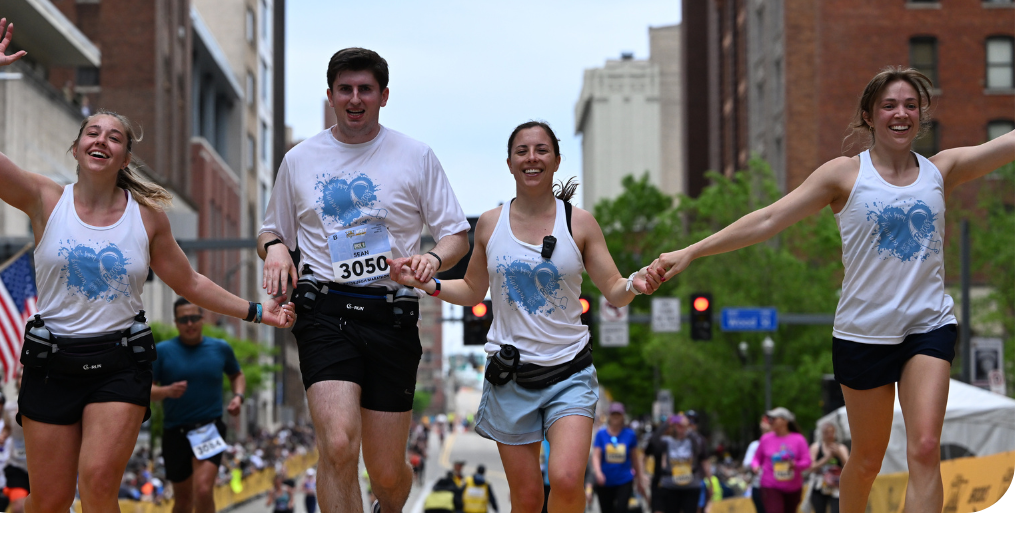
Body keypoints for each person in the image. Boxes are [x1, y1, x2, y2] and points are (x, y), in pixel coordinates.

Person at [0, 17, 295, 513]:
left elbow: (191, 281)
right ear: (75, 149)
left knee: (98, 484)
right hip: (51, 362)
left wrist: (256, 311)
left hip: (119, 364)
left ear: (124, 157)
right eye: (91, 133)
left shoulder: (148, 219)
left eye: (113, 136)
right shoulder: (44, 200)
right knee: (49, 501)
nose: (101, 140)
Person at [650, 67, 1015, 513]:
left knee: (924, 448)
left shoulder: (941, 170)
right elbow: (768, 219)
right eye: (889, 105)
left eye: (910, 105)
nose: (901, 114)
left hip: (928, 325)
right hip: (863, 334)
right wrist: (692, 251)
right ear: (869, 115)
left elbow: (1007, 145)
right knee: (865, 461)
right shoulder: (843, 175)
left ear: (921, 115)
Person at [390, 121, 658, 512]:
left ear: (556, 160)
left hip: (570, 371)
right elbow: (470, 290)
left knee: (566, 480)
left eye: (541, 150)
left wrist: (637, 283)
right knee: (528, 497)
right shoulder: (489, 224)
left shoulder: (579, 223)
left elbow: (615, 289)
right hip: (510, 376)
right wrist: (426, 285)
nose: (532, 158)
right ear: (510, 163)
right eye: (522, 151)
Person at [258, 47, 470, 513]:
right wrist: (274, 246)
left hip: (391, 315)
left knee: (389, 476)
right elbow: (272, 229)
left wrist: (432, 261)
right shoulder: (300, 159)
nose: (355, 99)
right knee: (336, 443)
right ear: (331, 95)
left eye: (366, 90)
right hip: (325, 311)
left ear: (384, 96)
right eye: (346, 89)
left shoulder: (415, 156)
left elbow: (457, 233)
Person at [151, 297, 247, 513]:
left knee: (203, 490)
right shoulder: (162, 351)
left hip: (208, 428)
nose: (190, 324)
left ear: (202, 319)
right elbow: (145, 390)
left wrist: (238, 396)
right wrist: (167, 391)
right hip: (175, 431)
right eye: (184, 320)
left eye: (194, 318)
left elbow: (237, 375)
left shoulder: (220, 348)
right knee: (183, 501)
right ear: (176, 323)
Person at [750, 407, 811, 513]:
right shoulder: (765, 439)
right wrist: (755, 466)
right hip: (770, 485)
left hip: (793, 487)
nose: (771, 421)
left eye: (774, 418)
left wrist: (795, 465)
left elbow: (807, 461)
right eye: (770, 419)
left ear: (785, 420)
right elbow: (756, 458)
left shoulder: (799, 439)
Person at [645, 414, 709, 513]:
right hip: (671, 486)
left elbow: (700, 447)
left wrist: (687, 427)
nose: (680, 428)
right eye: (678, 425)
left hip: (690, 486)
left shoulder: (693, 441)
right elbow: (654, 441)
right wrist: (667, 423)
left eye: (682, 425)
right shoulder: (667, 441)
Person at [591, 402, 646, 513]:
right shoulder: (601, 434)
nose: (615, 417)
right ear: (609, 416)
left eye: (618, 414)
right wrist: (598, 472)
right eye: (613, 414)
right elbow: (596, 456)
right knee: (606, 509)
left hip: (624, 480)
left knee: (621, 509)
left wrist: (640, 478)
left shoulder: (630, 434)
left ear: (623, 416)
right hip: (605, 481)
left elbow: (635, 458)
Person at [1, 377, 30, 514]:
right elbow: (7, 427)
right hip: (16, 464)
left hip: (41, 464)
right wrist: (3, 435)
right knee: (18, 507)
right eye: (19, 376)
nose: (22, 379)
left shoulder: (47, 405)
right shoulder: (9, 407)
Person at [807, 423, 850, 513]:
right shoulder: (816, 447)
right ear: (822, 434)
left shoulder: (841, 448)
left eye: (832, 432)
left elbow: (849, 467)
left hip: (836, 486)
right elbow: (811, 468)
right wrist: (827, 458)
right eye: (826, 433)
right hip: (819, 486)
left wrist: (839, 454)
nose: (830, 435)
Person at [741, 416, 772, 513]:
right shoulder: (755, 445)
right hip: (759, 486)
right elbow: (747, 463)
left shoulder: (780, 445)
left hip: (776, 487)